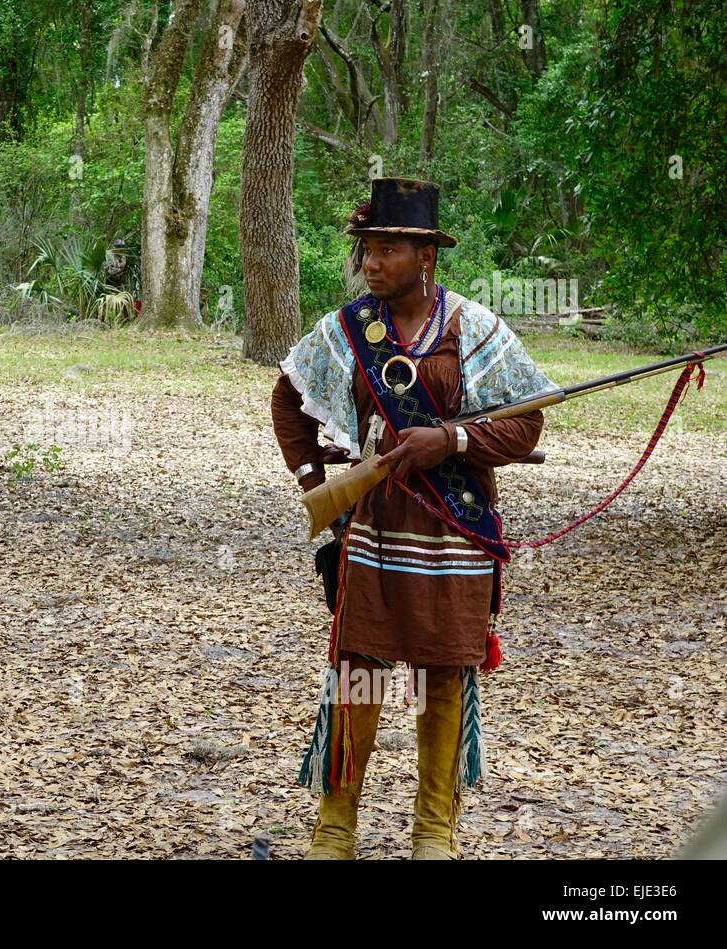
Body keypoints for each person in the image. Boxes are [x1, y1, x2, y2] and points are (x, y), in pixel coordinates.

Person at [271, 177, 554, 859]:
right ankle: (335, 825)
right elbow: (288, 401)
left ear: (425, 255)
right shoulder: (346, 330)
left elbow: (525, 425)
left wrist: (450, 439)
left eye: (388, 248)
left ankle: (434, 829)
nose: (371, 262)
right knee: (359, 669)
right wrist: (318, 480)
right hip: (371, 529)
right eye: (367, 249)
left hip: (455, 531)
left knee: (441, 672)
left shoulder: (476, 328)